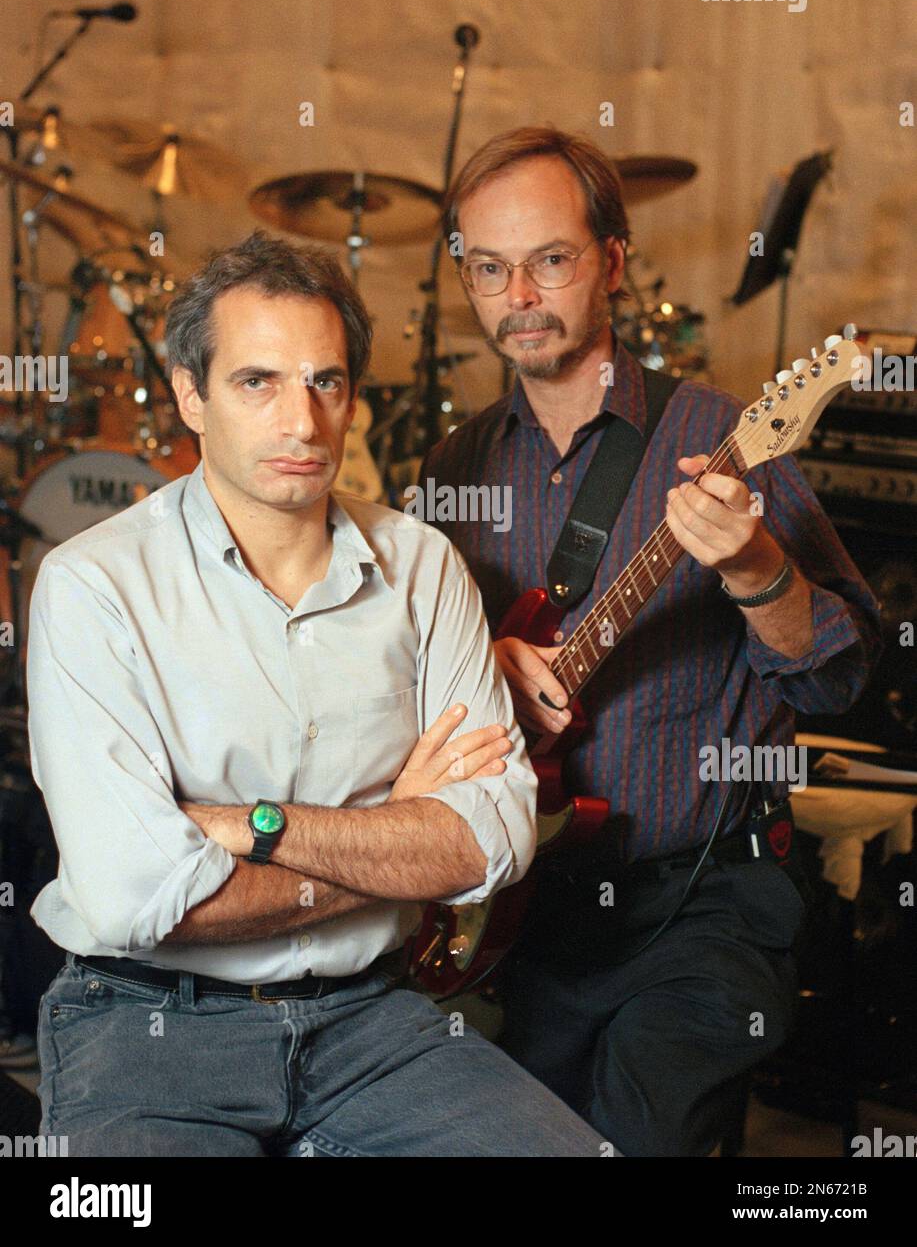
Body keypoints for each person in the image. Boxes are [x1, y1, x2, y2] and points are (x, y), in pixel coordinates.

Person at [26, 230, 603, 1157]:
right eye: (258, 381)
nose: (301, 420)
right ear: (189, 396)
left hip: (369, 1022)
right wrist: (397, 827)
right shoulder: (92, 587)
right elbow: (136, 899)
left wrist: (249, 826)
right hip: (149, 1027)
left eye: (325, 382)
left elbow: (488, 843)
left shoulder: (422, 567)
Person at [418, 126, 883, 1156]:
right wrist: (476, 662)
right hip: (523, 908)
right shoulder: (452, 464)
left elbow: (845, 680)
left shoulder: (722, 437)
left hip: (701, 904)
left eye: (549, 259)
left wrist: (759, 572)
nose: (519, 294)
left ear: (612, 263)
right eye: (488, 268)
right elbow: (402, 683)